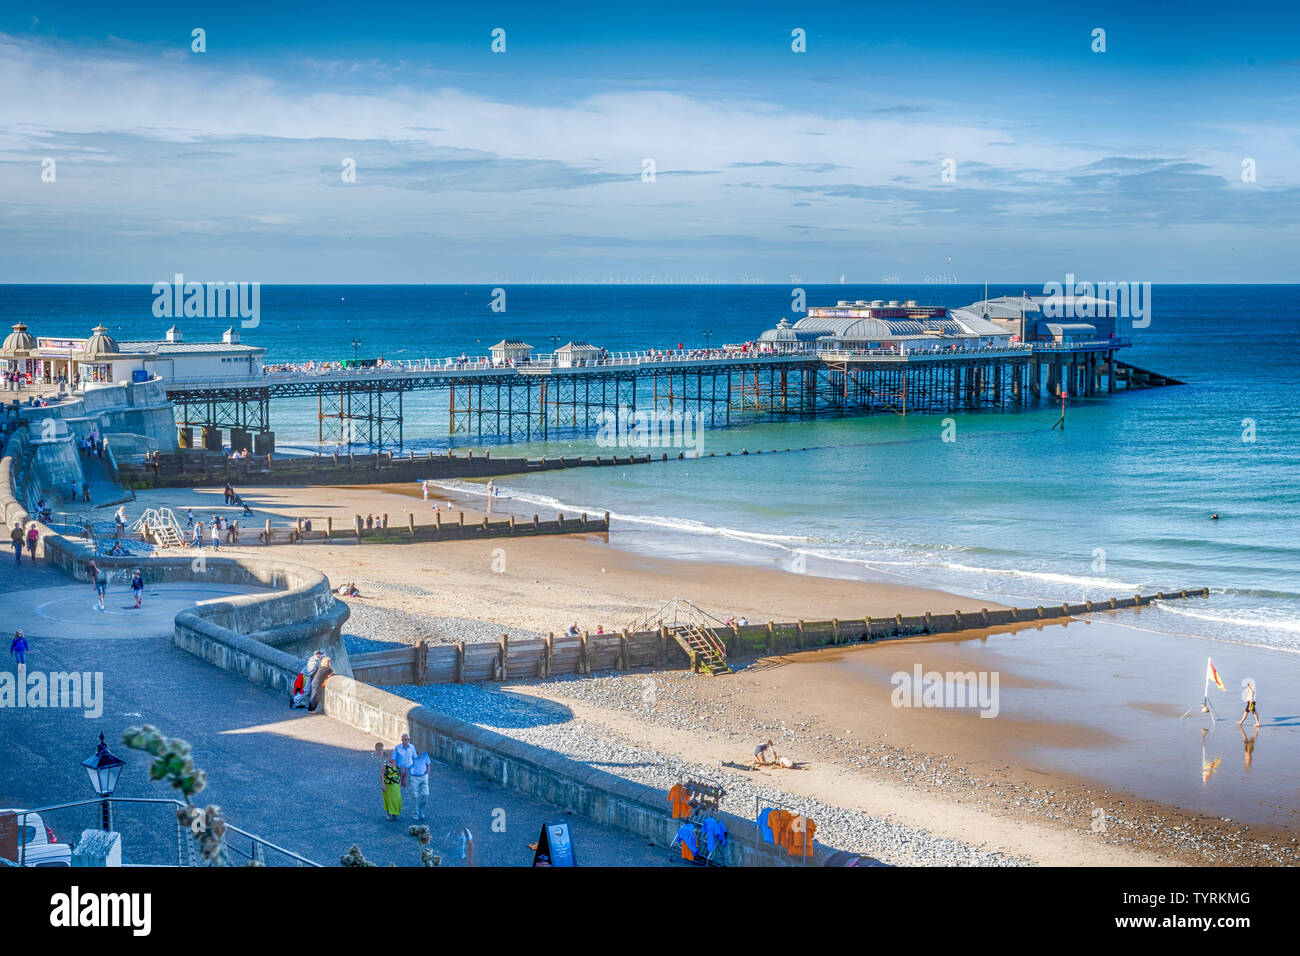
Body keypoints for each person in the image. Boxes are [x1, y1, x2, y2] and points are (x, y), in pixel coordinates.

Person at [407, 749, 432, 821]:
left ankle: (421, 811)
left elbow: (428, 764)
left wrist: (427, 773)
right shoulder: (410, 754)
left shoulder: (425, 754)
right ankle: (415, 813)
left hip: (424, 776)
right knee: (415, 796)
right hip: (414, 777)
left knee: (425, 795)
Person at [393, 733, 416, 798]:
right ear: (402, 740)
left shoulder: (412, 747)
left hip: (409, 769)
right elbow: (394, 758)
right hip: (400, 769)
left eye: (408, 740)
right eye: (405, 740)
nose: (407, 741)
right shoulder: (397, 748)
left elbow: (415, 757)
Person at [381, 752, 403, 821]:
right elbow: (381, 775)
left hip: (396, 785)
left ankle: (395, 813)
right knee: (389, 800)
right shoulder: (385, 764)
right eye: (389, 757)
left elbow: (401, 773)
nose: (391, 758)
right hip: (388, 785)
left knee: (397, 799)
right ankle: (389, 814)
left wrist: (403, 780)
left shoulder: (398, 763)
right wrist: (383, 785)